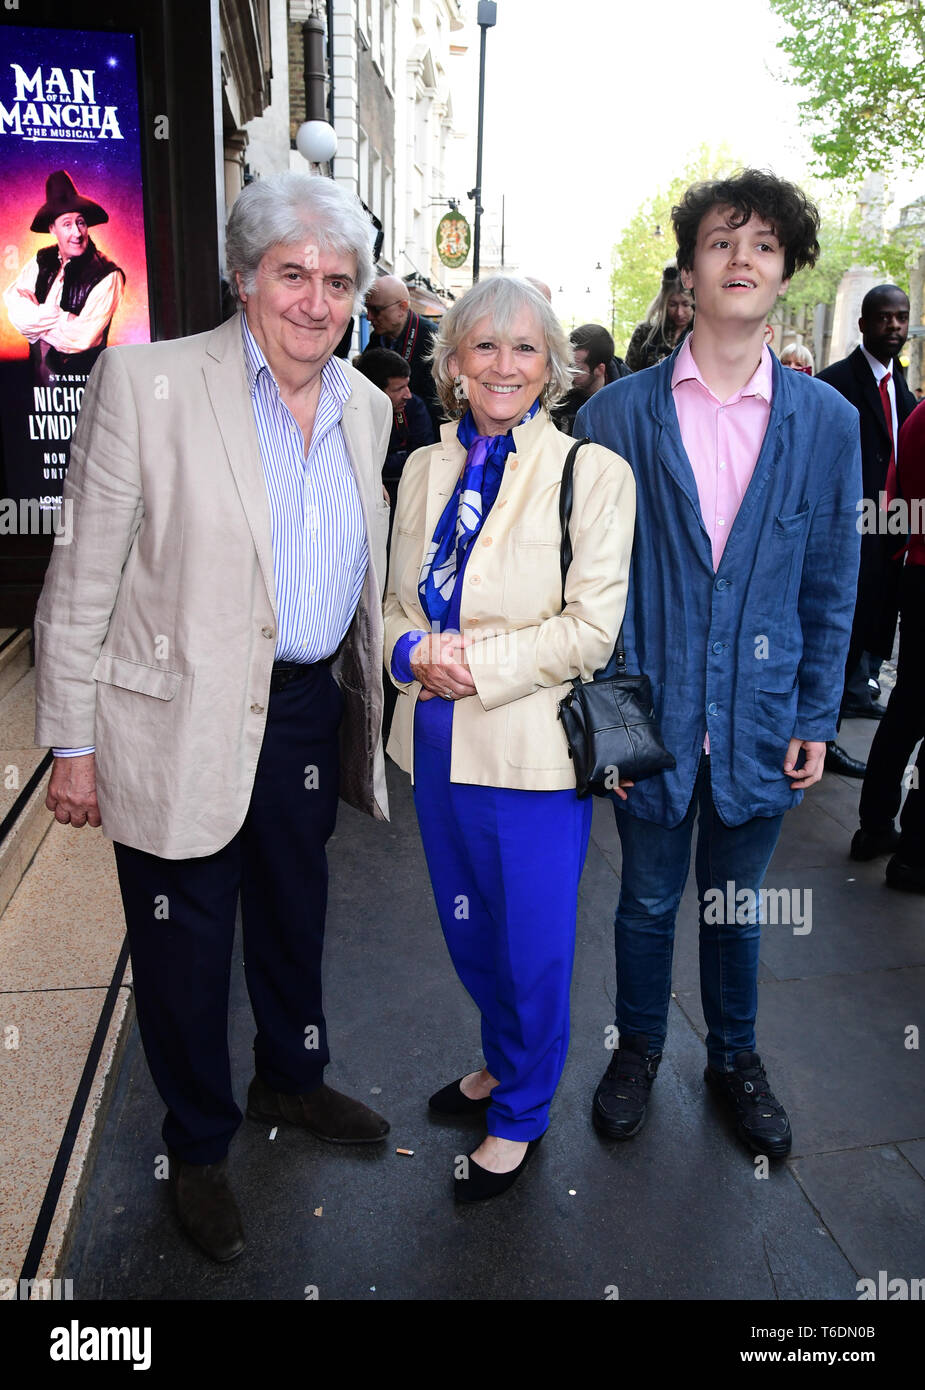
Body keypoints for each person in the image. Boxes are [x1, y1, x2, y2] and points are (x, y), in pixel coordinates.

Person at [33, 172, 394, 1263]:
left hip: (302, 710)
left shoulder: (367, 405)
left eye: (337, 280)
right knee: (185, 952)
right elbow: (83, 574)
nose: (316, 301)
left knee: (293, 918)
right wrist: (74, 742)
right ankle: (195, 1147)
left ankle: (292, 1076)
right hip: (174, 717)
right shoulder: (147, 381)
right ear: (245, 278)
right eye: (293, 274)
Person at [577, 169, 861, 1160]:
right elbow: (590, 594)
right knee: (647, 899)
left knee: (735, 909)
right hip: (649, 720)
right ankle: (637, 1049)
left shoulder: (827, 424)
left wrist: (815, 719)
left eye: (764, 245)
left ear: (784, 272)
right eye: (720, 242)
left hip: (759, 721)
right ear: (688, 271)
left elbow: (830, 585)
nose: (742, 259)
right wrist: (607, 732)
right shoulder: (613, 419)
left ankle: (734, 1057)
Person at [383, 276, 635, 1201]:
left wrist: (472, 664)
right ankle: (498, 1060)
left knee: (531, 944)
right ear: (451, 363)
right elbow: (389, 605)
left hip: (528, 752)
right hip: (434, 740)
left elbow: (588, 631)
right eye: (482, 346)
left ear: (553, 368)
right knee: (470, 934)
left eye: (524, 348)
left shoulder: (592, 474)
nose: (502, 364)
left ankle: (521, 1111)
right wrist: (410, 649)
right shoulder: (421, 468)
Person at [817, 285, 917, 772]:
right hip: (845, 529)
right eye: (884, 318)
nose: (894, 327)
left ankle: (854, 694)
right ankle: (821, 731)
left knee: (869, 630)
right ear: (863, 324)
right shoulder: (835, 383)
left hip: (889, 533)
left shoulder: (905, 391)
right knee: (837, 629)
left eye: (901, 318)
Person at [850, 399, 925, 892]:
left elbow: (895, 497)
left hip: (916, 573)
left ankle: (876, 825)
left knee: (907, 709)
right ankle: (916, 855)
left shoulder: (919, 417)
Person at [3, 170, 125, 387]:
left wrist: (37, 318)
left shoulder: (107, 275)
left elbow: (83, 337)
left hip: (85, 386)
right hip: (39, 384)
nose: (77, 233)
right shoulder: (41, 259)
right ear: (52, 229)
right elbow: (15, 310)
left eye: (81, 223)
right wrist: (62, 317)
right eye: (67, 224)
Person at [354, 346, 437, 508]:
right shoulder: (352, 415)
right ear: (375, 391)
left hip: (409, 495)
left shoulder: (414, 407)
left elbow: (423, 456)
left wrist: (381, 462)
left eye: (407, 385)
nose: (408, 395)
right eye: (399, 389)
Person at [364, 274, 442, 430]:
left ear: (403, 307)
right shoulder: (376, 340)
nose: (369, 317)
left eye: (376, 310)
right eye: (367, 308)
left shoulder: (432, 340)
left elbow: (440, 407)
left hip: (424, 440)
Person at [553, 323, 631, 436]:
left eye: (574, 368)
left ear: (599, 370)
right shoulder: (556, 391)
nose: (565, 372)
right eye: (564, 363)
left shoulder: (628, 402)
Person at [625, 263, 693, 372]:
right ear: (664, 303)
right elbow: (628, 376)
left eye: (686, 304)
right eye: (672, 304)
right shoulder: (644, 332)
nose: (679, 313)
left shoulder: (704, 335)